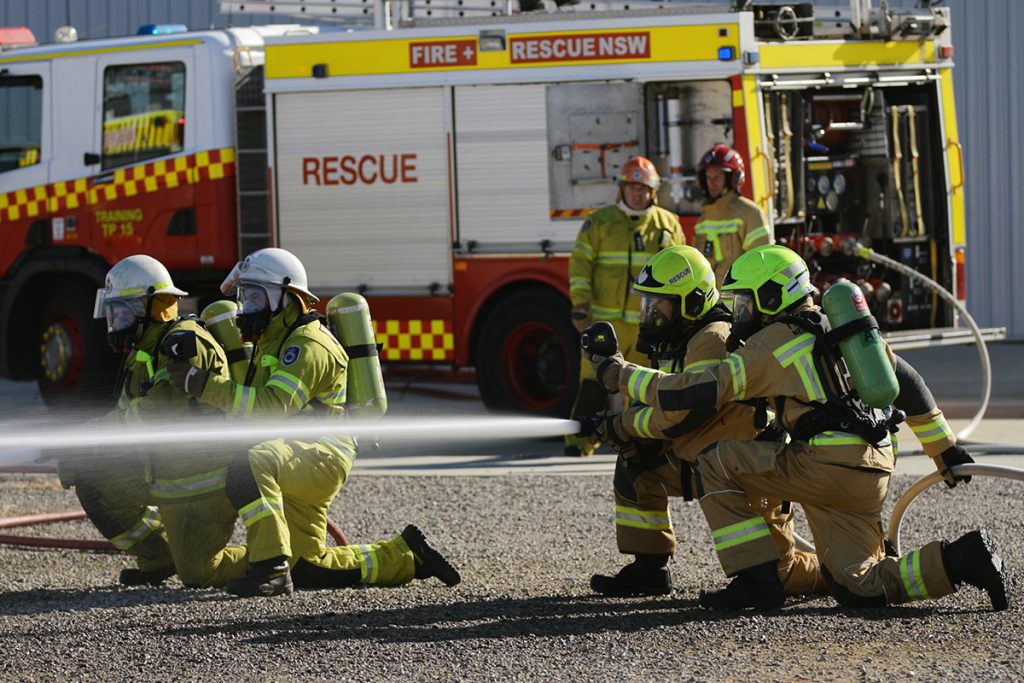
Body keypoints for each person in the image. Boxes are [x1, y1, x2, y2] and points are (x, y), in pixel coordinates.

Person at [588, 244, 1009, 611]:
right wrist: (945, 450)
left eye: (746, 303)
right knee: (859, 586)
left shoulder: (771, 345)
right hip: (873, 467)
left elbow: (693, 393)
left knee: (715, 461)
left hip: (824, 465)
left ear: (772, 296)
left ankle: (755, 579)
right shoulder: (840, 331)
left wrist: (620, 375)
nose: (739, 314)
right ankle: (962, 558)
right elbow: (909, 384)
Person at [169, 247, 460, 597]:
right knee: (310, 567)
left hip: (321, 454)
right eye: (246, 297)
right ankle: (407, 556)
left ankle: (269, 569)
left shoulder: (308, 345)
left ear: (288, 298)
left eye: (257, 297)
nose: (248, 307)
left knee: (250, 462)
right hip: (294, 454)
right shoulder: (274, 340)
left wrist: (204, 385)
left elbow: (272, 406)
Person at [585, 245, 823, 597]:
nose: (649, 314)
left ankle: (847, 569)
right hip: (703, 459)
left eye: (658, 304)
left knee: (782, 575)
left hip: (747, 468)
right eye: (647, 304)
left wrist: (623, 425)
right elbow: (663, 400)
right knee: (637, 466)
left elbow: (684, 413)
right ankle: (649, 569)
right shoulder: (679, 339)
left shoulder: (712, 339)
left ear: (692, 303)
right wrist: (631, 429)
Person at [61, 254, 246, 588]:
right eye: (113, 312)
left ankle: (277, 559)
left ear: (150, 307)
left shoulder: (184, 344)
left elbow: (160, 411)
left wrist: (94, 433)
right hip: (163, 468)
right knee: (89, 476)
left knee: (200, 574)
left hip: (201, 478)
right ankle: (159, 555)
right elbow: (128, 415)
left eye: (120, 312)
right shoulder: (145, 350)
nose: (115, 322)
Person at [565, 155, 685, 456]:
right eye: (631, 187)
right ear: (622, 188)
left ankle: (639, 444)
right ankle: (579, 443)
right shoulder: (600, 222)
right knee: (593, 386)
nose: (637, 193)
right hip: (605, 326)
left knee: (643, 388)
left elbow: (682, 271)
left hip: (649, 327)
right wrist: (580, 304)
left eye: (643, 188)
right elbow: (580, 264)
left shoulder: (667, 224)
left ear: (653, 192)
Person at [693, 144, 774, 288]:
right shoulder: (703, 219)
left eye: (717, 176)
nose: (712, 182)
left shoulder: (749, 213)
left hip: (738, 300)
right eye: (708, 177)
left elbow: (761, 263)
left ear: (733, 178)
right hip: (711, 303)